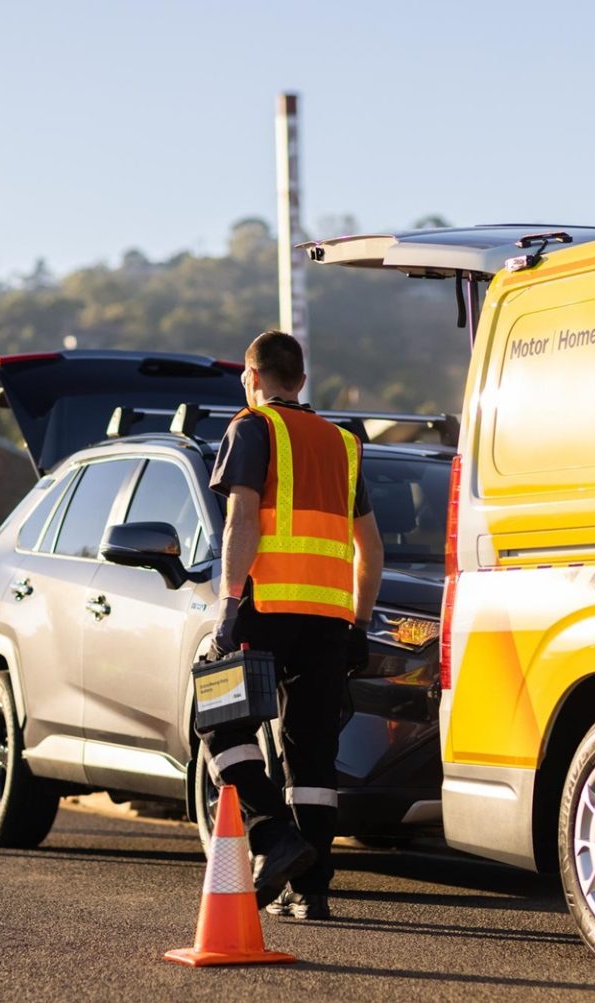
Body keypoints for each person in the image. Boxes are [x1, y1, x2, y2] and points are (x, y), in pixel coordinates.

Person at [203, 329, 385, 920]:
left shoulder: (251, 427)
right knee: (312, 756)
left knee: (220, 725)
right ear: (301, 380)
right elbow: (371, 547)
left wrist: (229, 606)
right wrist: (358, 622)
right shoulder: (343, 444)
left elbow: (241, 521)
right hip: (329, 621)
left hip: (265, 607)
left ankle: (274, 836)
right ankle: (312, 893)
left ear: (251, 378)